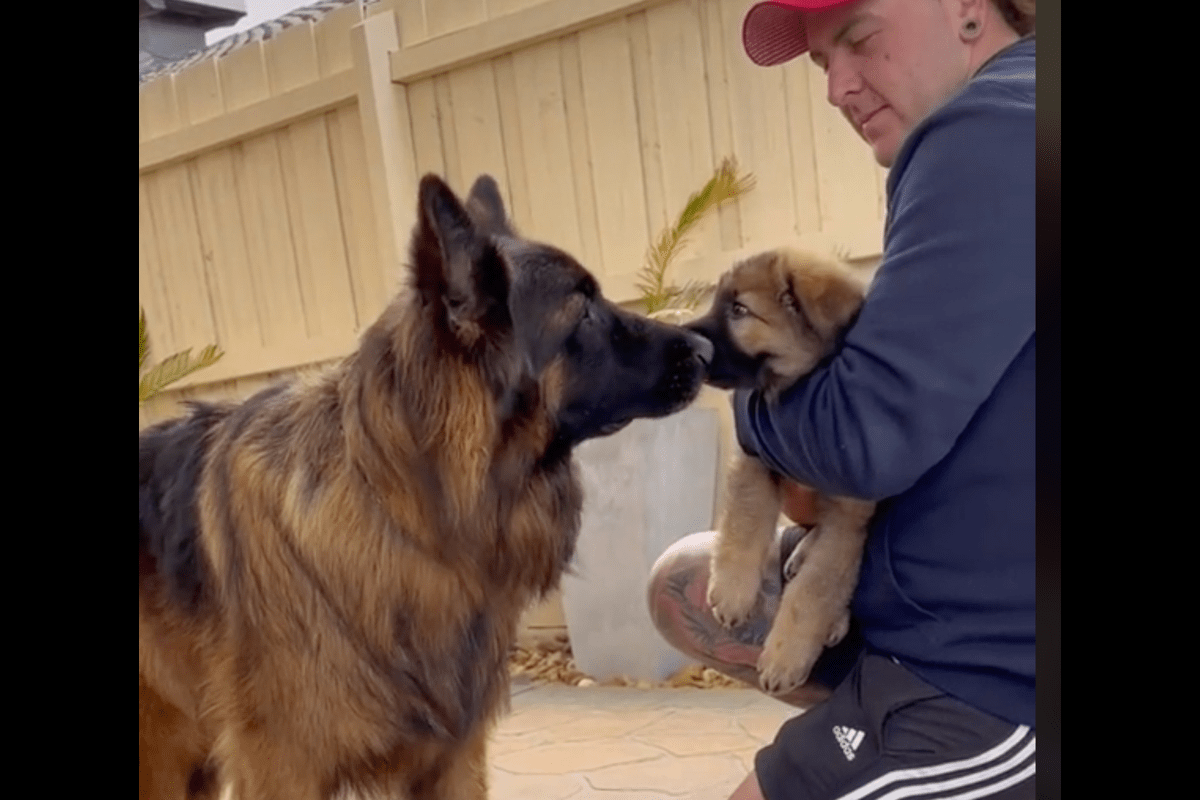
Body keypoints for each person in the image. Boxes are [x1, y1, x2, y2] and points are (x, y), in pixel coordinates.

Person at [645, 1, 1036, 798]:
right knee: (685, 584)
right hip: (945, 602)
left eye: (858, 40)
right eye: (825, 64)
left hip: (993, 680)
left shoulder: (988, 132)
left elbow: (863, 440)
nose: (837, 89)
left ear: (967, 9)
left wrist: (750, 393)